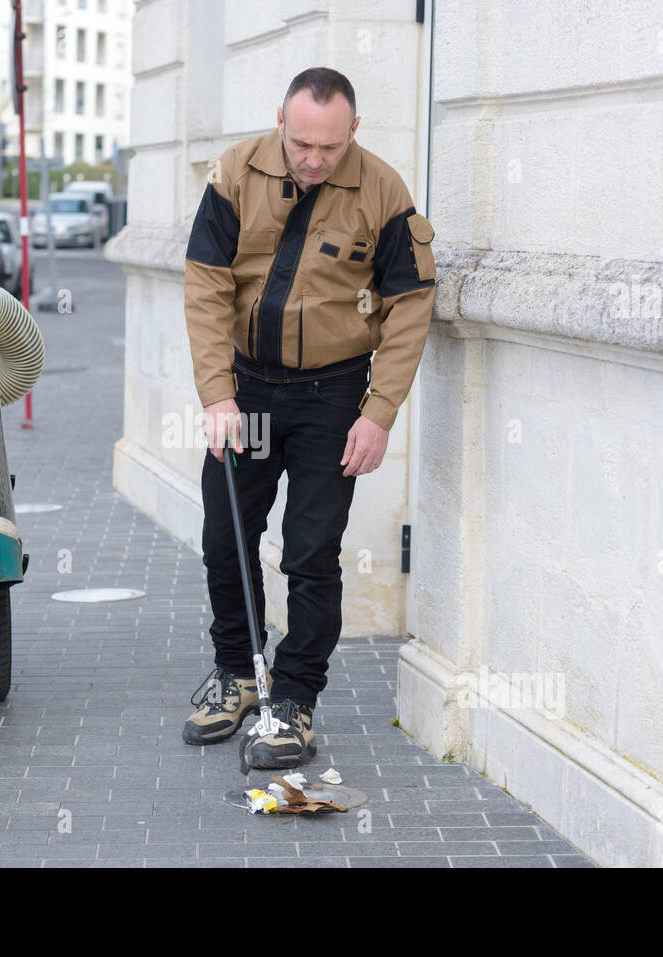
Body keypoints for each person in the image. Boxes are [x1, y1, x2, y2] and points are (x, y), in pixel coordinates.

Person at [181, 67, 438, 769]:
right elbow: (205, 282)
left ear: (353, 130)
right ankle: (238, 672)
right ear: (280, 123)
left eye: (329, 146)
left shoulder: (384, 191)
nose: (314, 160)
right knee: (226, 535)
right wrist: (216, 393)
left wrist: (379, 412)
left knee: (311, 552)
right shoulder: (235, 171)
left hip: (334, 396)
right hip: (248, 391)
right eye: (301, 145)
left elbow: (411, 304)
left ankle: (293, 699)